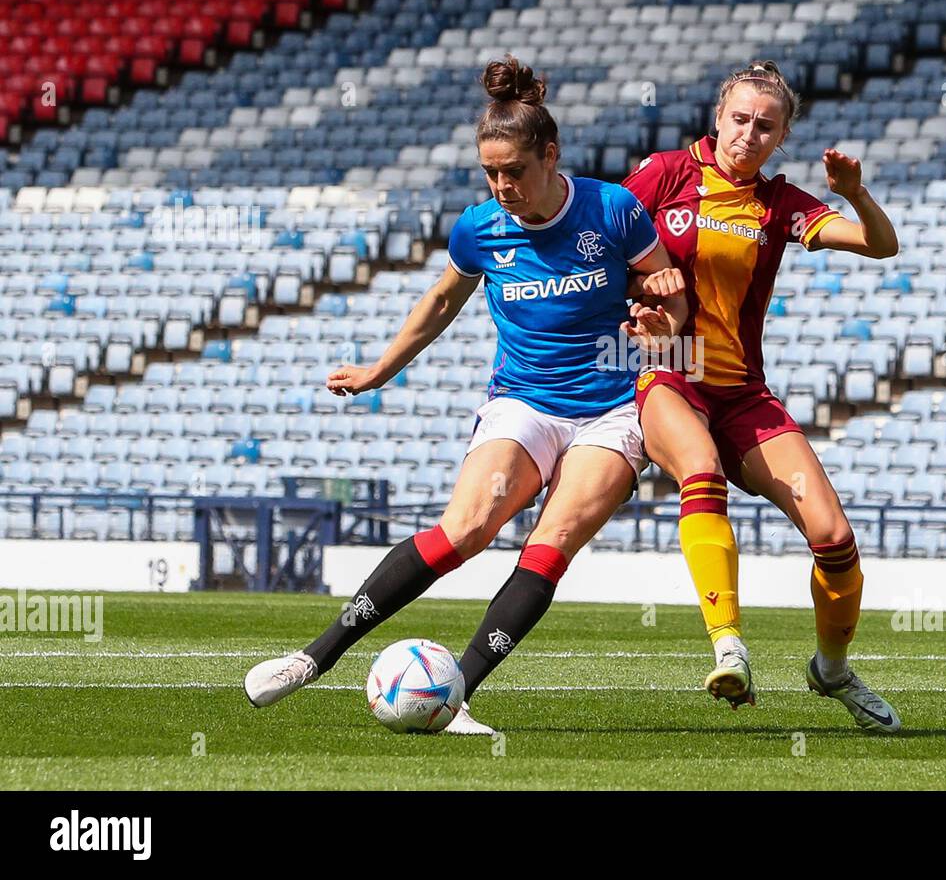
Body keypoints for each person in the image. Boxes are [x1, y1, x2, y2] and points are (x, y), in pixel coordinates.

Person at [243, 55, 686, 733]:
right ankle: (313, 658)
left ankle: (457, 695)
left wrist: (663, 322)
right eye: (490, 172)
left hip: (611, 407)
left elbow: (670, 300)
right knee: (464, 532)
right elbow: (440, 302)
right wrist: (378, 371)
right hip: (524, 399)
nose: (502, 185)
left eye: (514, 170)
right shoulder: (480, 228)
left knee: (551, 541)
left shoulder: (613, 210)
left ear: (550, 155)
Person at [621, 60, 903, 732]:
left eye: (765, 126)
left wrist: (856, 194)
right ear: (718, 117)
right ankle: (730, 646)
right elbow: (601, 241)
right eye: (740, 119)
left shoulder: (779, 203)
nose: (749, 133)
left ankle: (831, 669)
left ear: (780, 137)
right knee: (700, 472)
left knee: (834, 537)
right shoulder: (665, 174)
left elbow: (880, 245)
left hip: (744, 392)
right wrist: (637, 308)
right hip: (669, 372)